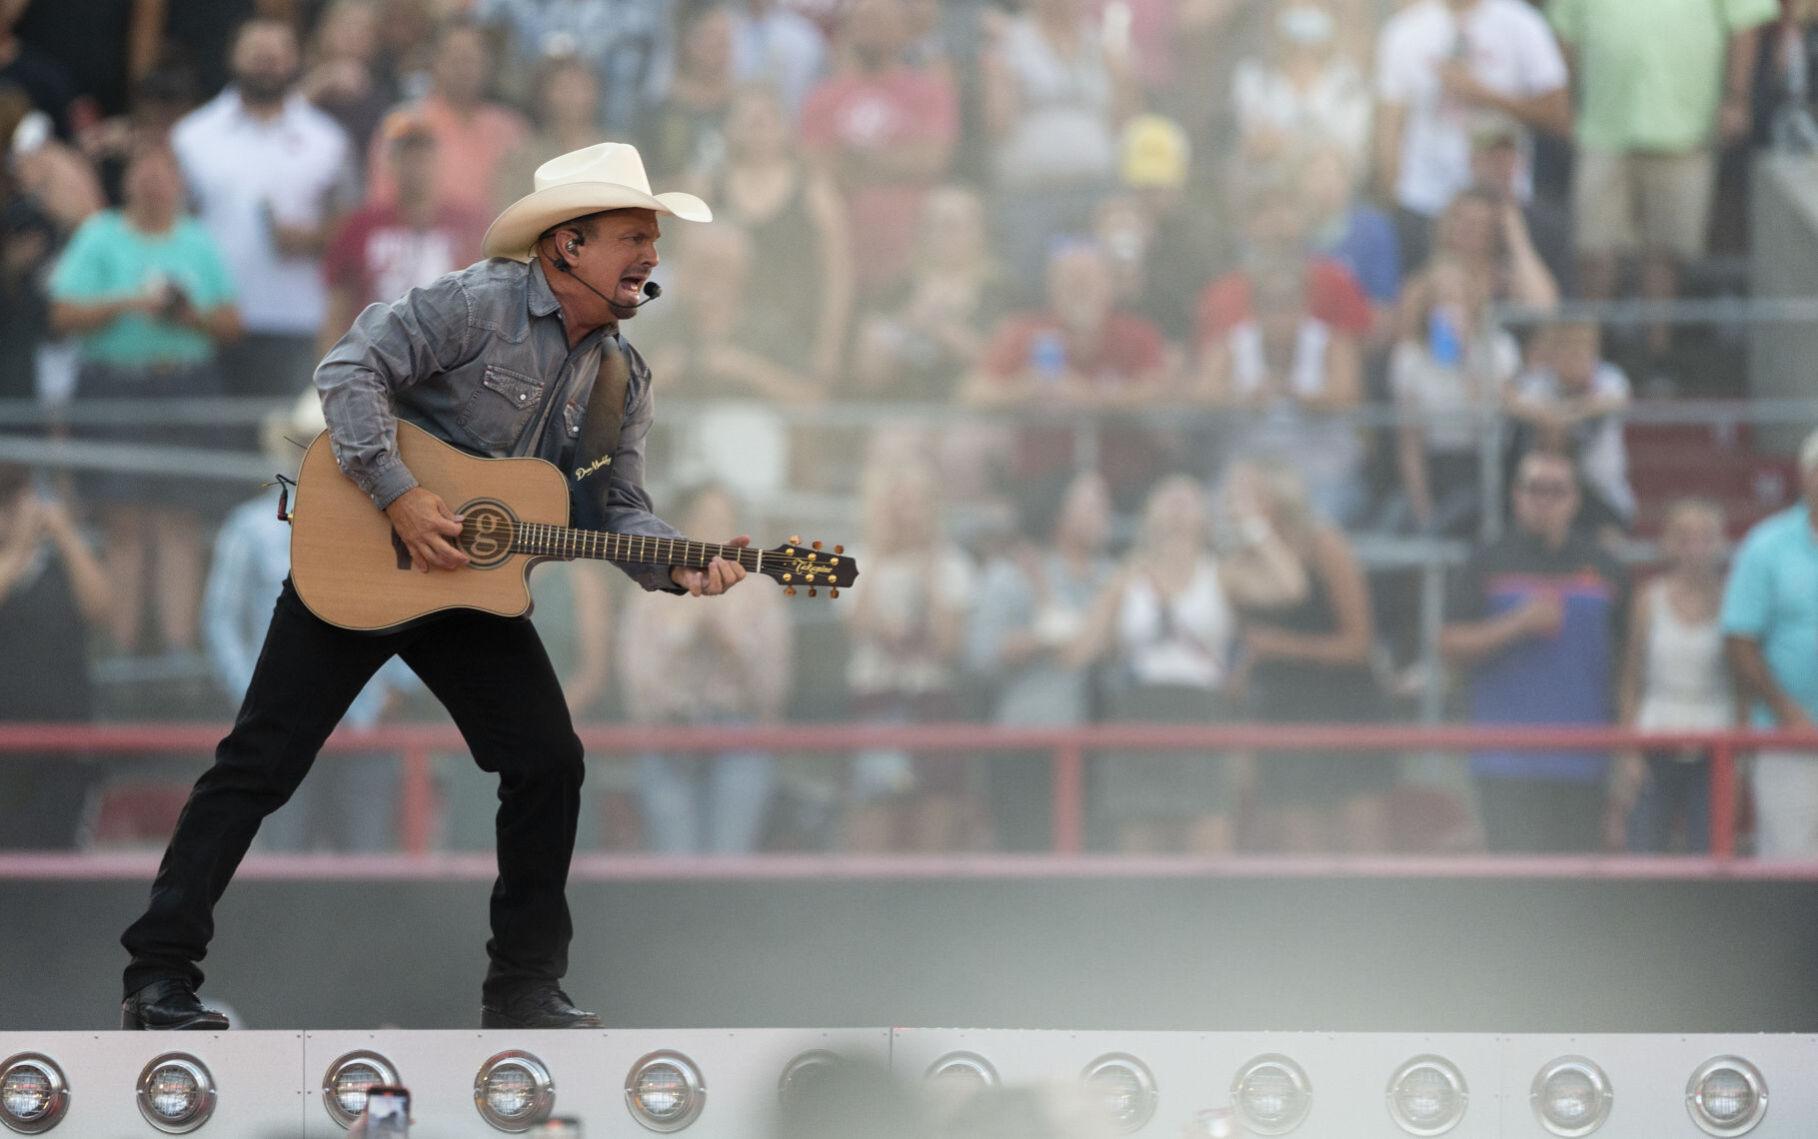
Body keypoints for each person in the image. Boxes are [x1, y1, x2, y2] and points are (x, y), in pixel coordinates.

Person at [117, 141, 746, 1032]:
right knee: (259, 762)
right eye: (631, 236)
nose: (650, 255)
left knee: (548, 760)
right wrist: (402, 497)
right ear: (565, 245)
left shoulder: (621, 377)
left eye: (653, 240)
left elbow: (615, 507)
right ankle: (157, 976)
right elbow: (346, 369)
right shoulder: (476, 301)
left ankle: (523, 989)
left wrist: (679, 560)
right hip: (365, 550)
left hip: (469, 588)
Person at [202, 391, 417, 853]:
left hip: (363, 724)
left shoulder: (388, 524)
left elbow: (414, 612)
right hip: (288, 728)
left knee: (364, 872)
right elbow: (221, 626)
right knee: (286, 867)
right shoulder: (251, 528)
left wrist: (393, 688)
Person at [48, 141, 241, 655]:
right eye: (144, 171)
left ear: (178, 183)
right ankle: (122, 649)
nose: (154, 183)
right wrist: (130, 302)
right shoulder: (99, 237)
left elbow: (229, 322)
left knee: (180, 520)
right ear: (128, 180)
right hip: (116, 387)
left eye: (164, 173)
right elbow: (63, 314)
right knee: (123, 522)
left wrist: (185, 315)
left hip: (185, 385)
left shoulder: (198, 241)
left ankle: (177, 654)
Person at [1551, 0, 1777, 367]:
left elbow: (1746, 21)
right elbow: (1564, 31)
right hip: (1601, 129)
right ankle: (1588, 357)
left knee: (1666, 253)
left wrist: (1736, 97)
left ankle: (1655, 357)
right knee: (1593, 250)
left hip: (1686, 130)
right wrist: (1565, 103)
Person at [1066, 476, 1278, 855]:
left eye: (1190, 498)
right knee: (1140, 849)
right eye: (1168, 496)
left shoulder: (1221, 573)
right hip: (1139, 711)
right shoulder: (1126, 577)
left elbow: (1288, 586)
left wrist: (1253, 525)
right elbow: (1080, 652)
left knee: (1210, 839)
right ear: (1149, 515)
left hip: (1204, 710)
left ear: (1207, 518)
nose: (1178, 504)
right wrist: (1105, 597)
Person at [1440, 449, 1628, 854]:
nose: (1544, 499)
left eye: (1557, 490)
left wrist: (1626, 749)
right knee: (1516, 889)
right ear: (1515, 495)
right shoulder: (1485, 563)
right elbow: (1450, 646)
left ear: (1575, 499)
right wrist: (1517, 624)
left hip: (1583, 759)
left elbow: (1629, 664)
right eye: (1534, 488)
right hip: (1505, 760)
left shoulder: (1605, 567)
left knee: (1577, 888)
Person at [172, 17, 352, 400]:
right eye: (257, 53)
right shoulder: (191, 137)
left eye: (277, 55)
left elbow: (352, 225)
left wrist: (315, 238)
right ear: (232, 57)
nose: (267, 63)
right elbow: (172, 226)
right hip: (211, 321)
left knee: (285, 452)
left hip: (298, 320)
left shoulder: (328, 140)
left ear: (297, 60)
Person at [1224, 458, 1389, 853]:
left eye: (1248, 495)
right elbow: (1247, 641)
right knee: (1299, 839)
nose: (1235, 505)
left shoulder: (1324, 544)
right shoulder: (1239, 561)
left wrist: (1285, 647)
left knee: (1361, 833)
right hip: (1283, 706)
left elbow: (1358, 642)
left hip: (1345, 702)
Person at [620, 483, 792, 853]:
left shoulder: (759, 589)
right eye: (704, 520)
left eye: (723, 520)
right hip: (670, 736)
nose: (714, 530)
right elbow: (638, 678)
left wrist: (730, 642)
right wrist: (684, 638)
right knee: (674, 860)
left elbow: (773, 684)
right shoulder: (650, 586)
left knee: (730, 857)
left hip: (739, 734)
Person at [966, 471, 1115, 851]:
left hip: (1102, 747)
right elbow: (980, 654)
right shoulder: (1013, 575)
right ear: (1060, 514)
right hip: (1028, 743)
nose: (1106, 513)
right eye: (1093, 504)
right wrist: (1043, 639)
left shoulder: (1114, 579)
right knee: (1026, 856)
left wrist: (1065, 632)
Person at [1372, 0, 1571, 270]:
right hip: (1425, 202)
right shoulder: (1406, 30)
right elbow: (1389, 123)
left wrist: (1482, 94)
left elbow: (1558, 113)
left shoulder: (1522, 24)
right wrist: (1394, 197)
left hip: (1499, 203)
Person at [841, 448, 973, 852]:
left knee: (934, 820)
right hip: (877, 699)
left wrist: (929, 564)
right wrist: (882, 555)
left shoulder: (952, 565)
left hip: (931, 700)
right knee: (874, 818)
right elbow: (856, 627)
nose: (908, 512)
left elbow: (949, 643)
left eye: (917, 501)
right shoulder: (857, 560)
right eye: (900, 501)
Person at [1192, 259, 1367, 528]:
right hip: (1245, 472)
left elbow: (1348, 395)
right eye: (1271, 305)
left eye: (1288, 304)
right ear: (1256, 308)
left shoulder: (1331, 343)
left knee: (1316, 525)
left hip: (1319, 475)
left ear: (1304, 305)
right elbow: (1201, 395)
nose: (1280, 316)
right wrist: (1244, 399)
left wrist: (1302, 398)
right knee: (1213, 518)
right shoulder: (1230, 345)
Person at [801, 0, 957, 299]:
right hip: (838, 256)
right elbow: (816, 167)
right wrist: (898, 159)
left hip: (913, 257)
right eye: (863, 22)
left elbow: (932, 160)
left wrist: (852, 159)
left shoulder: (928, 92)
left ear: (904, 32)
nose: (869, 31)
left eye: (879, 21)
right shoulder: (822, 98)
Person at [981, 0, 1136, 299]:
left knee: (1103, 285)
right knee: (1031, 287)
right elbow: (998, 124)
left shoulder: (1102, 43)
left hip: (1096, 188)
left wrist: (1122, 77)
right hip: (1032, 194)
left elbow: (1125, 124)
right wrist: (1003, 78)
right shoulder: (1011, 42)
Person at [701, 83, 851, 383]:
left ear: (785, 127)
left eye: (766, 118)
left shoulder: (814, 191)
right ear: (731, 127)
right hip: (731, 334)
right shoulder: (708, 189)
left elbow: (838, 274)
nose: (758, 127)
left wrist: (829, 346)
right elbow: (696, 271)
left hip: (798, 330)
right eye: (748, 119)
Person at [1612, 498, 1732, 854]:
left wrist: (1739, 759)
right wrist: (1628, 751)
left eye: (1704, 537)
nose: (1694, 548)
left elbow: (1741, 685)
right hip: (1654, 740)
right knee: (1644, 854)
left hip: (1715, 743)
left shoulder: (1734, 600)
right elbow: (1631, 679)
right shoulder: (1648, 600)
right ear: (1667, 543)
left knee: (1711, 858)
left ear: (1720, 543)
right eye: (1684, 537)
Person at [0, 463, 111, 850]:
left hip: (66, 744)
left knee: (64, 859)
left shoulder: (60, 566)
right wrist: (16, 550)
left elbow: (100, 608)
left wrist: (64, 533)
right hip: (7, 747)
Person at [1722, 428, 1818, 857]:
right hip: (1786, 738)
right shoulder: (1766, 545)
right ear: (1806, 475)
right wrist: (1786, 712)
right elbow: (1740, 639)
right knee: (1788, 865)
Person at [320, 116, 489, 355]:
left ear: (439, 162)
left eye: (423, 157)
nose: (416, 167)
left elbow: (488, 305)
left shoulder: (469, 225)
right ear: (391, 163)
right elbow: (338, 306)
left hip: (448, 365)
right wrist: (331, 366)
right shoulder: (360, 226)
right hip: (375, 360)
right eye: (407, 157)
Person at [1388, 256, 1520, 537]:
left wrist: (1464, 358)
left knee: (1463, 515)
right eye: (1438, 298)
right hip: (1436, 464)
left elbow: (1492, 417)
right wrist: (1422, 506)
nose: (1447, 306)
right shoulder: (1409, 358)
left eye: (1455, 296)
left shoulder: (1498, 348)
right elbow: (1410, 443)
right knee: (1401, 524)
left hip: (1486, 462)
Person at [366, 21, 529, 218]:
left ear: (488, 64)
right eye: (455, 58)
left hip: (498, 238)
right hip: (424, 239)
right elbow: (382, 201)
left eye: (471, 59)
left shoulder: (510, 127)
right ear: (434, 62)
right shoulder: (402, 122)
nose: (463, 68)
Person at [1505, 321, 1636, 540]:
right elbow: (1509, 399)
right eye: (1564, 351)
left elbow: (1616, 401)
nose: (1572, 360)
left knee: (1610, 537)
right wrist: (1551, 416)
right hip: (1545, 487)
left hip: (1600, 487)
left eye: (1580, 352)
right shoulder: (1540, 382)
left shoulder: (1610, 377)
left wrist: (1562, 413)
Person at [475, 0, 675, 138]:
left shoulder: (640, 12)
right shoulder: (515, 7)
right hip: (530, 130)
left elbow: (658, 82)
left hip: (619, 132)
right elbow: (479, 27)